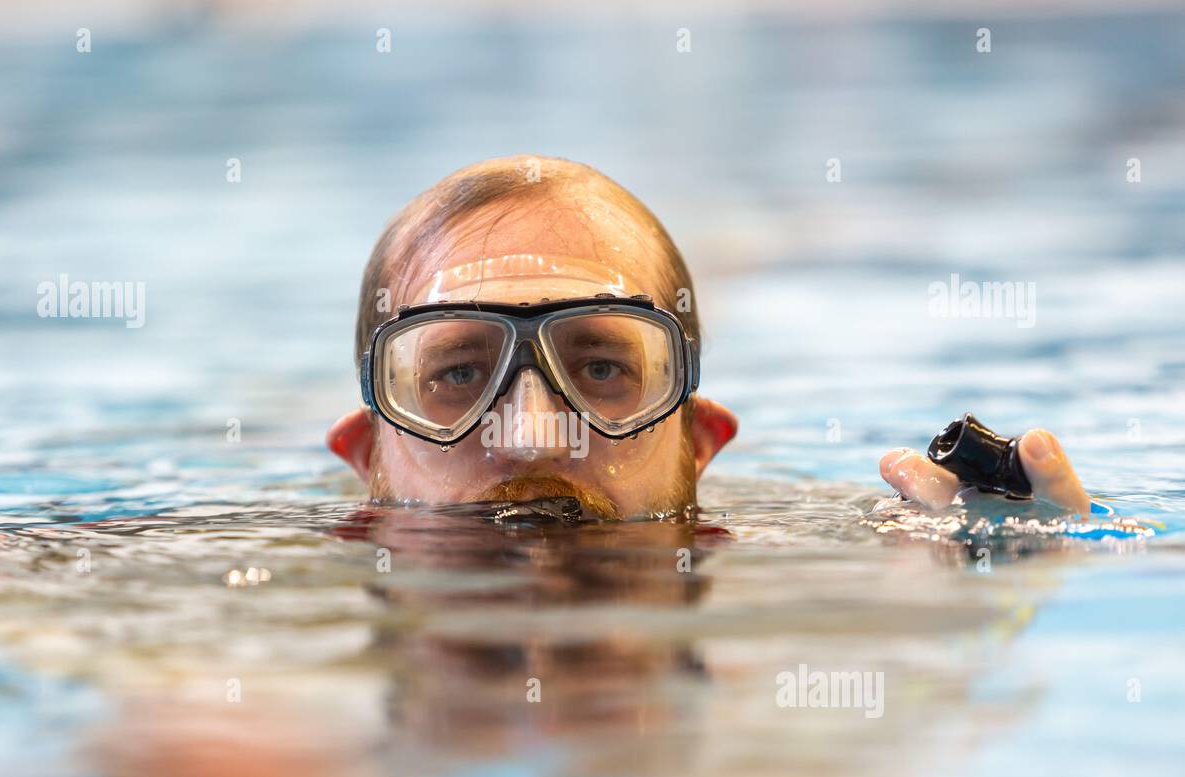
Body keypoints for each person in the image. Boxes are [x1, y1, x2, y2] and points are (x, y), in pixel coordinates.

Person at [327, 155, 1091, 520]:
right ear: (369, 455)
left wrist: (1011, 569)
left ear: (698, 441)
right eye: (458, 375)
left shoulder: (851, 570)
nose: (532, 435)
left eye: (600, 365)